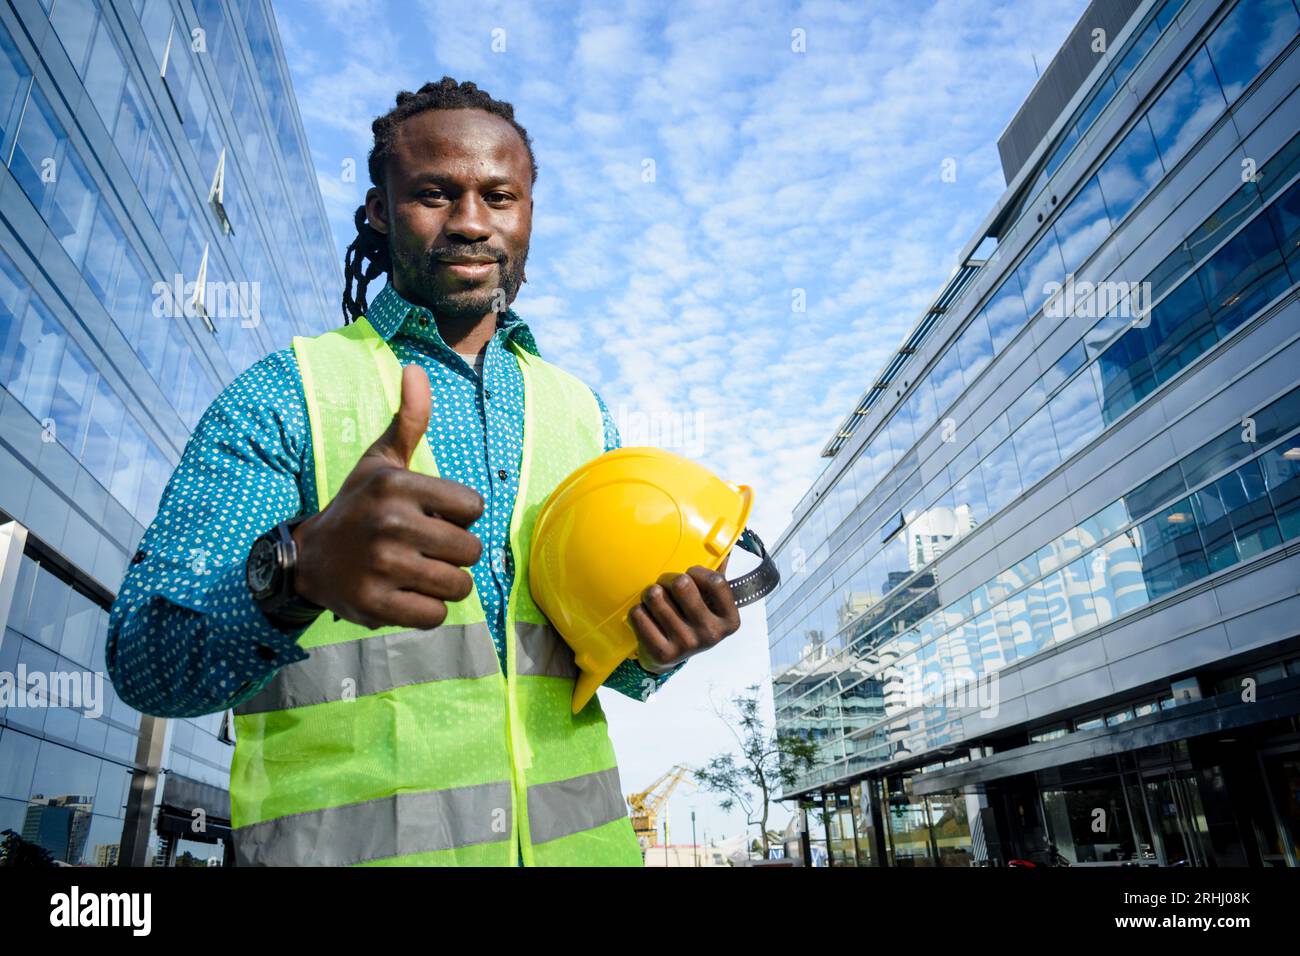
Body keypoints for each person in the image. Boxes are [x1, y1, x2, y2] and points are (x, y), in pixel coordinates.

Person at [106, 77, 742, 866]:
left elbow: (596, 665)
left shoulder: (583, 414)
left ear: (529, 214)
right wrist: (295, 573)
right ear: (379, 210)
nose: (472, 222)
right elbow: (145, 663)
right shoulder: (284, 394)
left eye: (499, 197)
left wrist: (662, 644)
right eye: (435, 194)